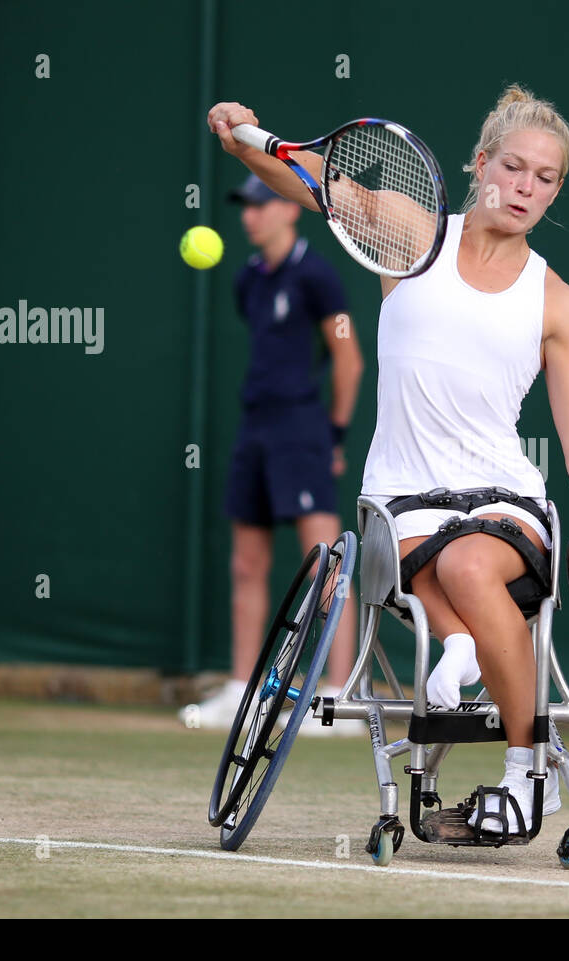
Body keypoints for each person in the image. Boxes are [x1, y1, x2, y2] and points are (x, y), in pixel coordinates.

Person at [206, 85, 569, 833]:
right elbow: (322, 180)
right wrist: (250, 138)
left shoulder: (559, 304)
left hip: (502, 501)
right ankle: (458, 643)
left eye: (545, 178)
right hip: (401, 499)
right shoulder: (416, 235)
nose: (525, 187)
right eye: (513, 167)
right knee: (436, 566)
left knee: (468, 566)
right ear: (480, 163)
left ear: (556, 190)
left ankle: (529, 778)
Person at [180, 173, 365, 734]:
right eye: (245, 206)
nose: (248, 215)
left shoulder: (319, 278)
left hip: (302, 430)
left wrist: (332, 436)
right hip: (254, 429)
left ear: (290, 211)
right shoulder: (247, 281)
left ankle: (341, 697)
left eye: (260, 204)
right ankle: (244, 690)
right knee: (247, 563)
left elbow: (348, 358)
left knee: (326, 565)